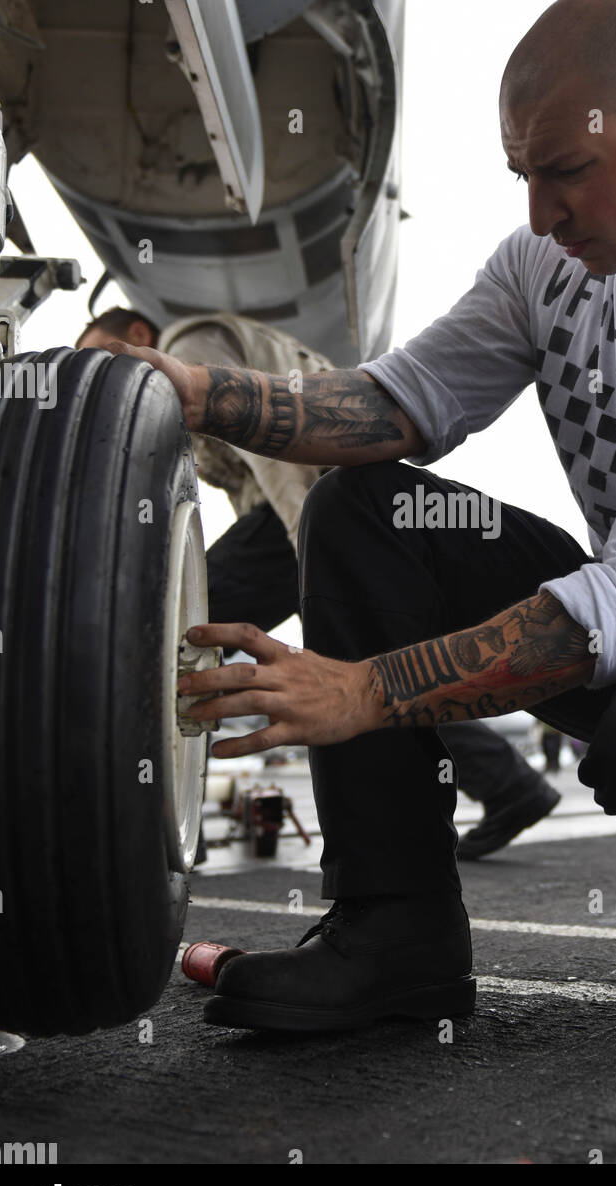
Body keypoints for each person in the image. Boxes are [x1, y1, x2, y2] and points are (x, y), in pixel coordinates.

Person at [105, 0, 616, 1034]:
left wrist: (366, 688)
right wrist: (197, 395)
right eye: (522, 175)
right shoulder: (545, 265)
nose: (539, 214)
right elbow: (389, 406)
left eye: (566, 174)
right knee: (355, 510)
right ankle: (396, 934)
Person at [76, 309, 560, 859]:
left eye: (102, 350)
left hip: (308, 504)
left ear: (138, 335)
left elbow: (271, 445)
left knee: (172, 631)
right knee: (362, 664)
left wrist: (312, 550)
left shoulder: (189, 340)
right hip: (307, 509)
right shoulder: (216, 340)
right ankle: (508, 785)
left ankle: (157, 820)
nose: (101, 368)